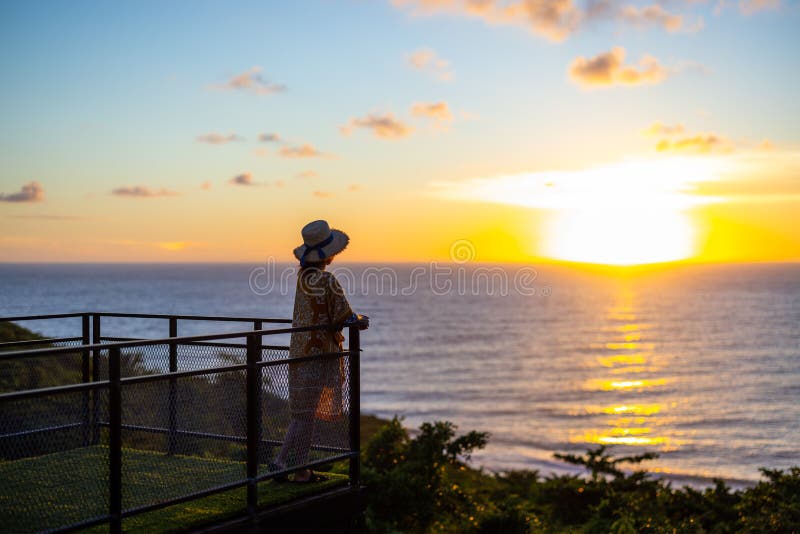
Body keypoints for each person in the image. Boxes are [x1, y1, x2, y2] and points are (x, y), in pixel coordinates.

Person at [272, 219, 366, 482]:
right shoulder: (327, 280)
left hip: (299, 352)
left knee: (303, 413)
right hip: (319, 355)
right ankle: (281, 462)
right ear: (328, 254)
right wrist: (361, 321)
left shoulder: (303, 278)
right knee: (305, 416)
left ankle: (300, 470)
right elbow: (345, 316)